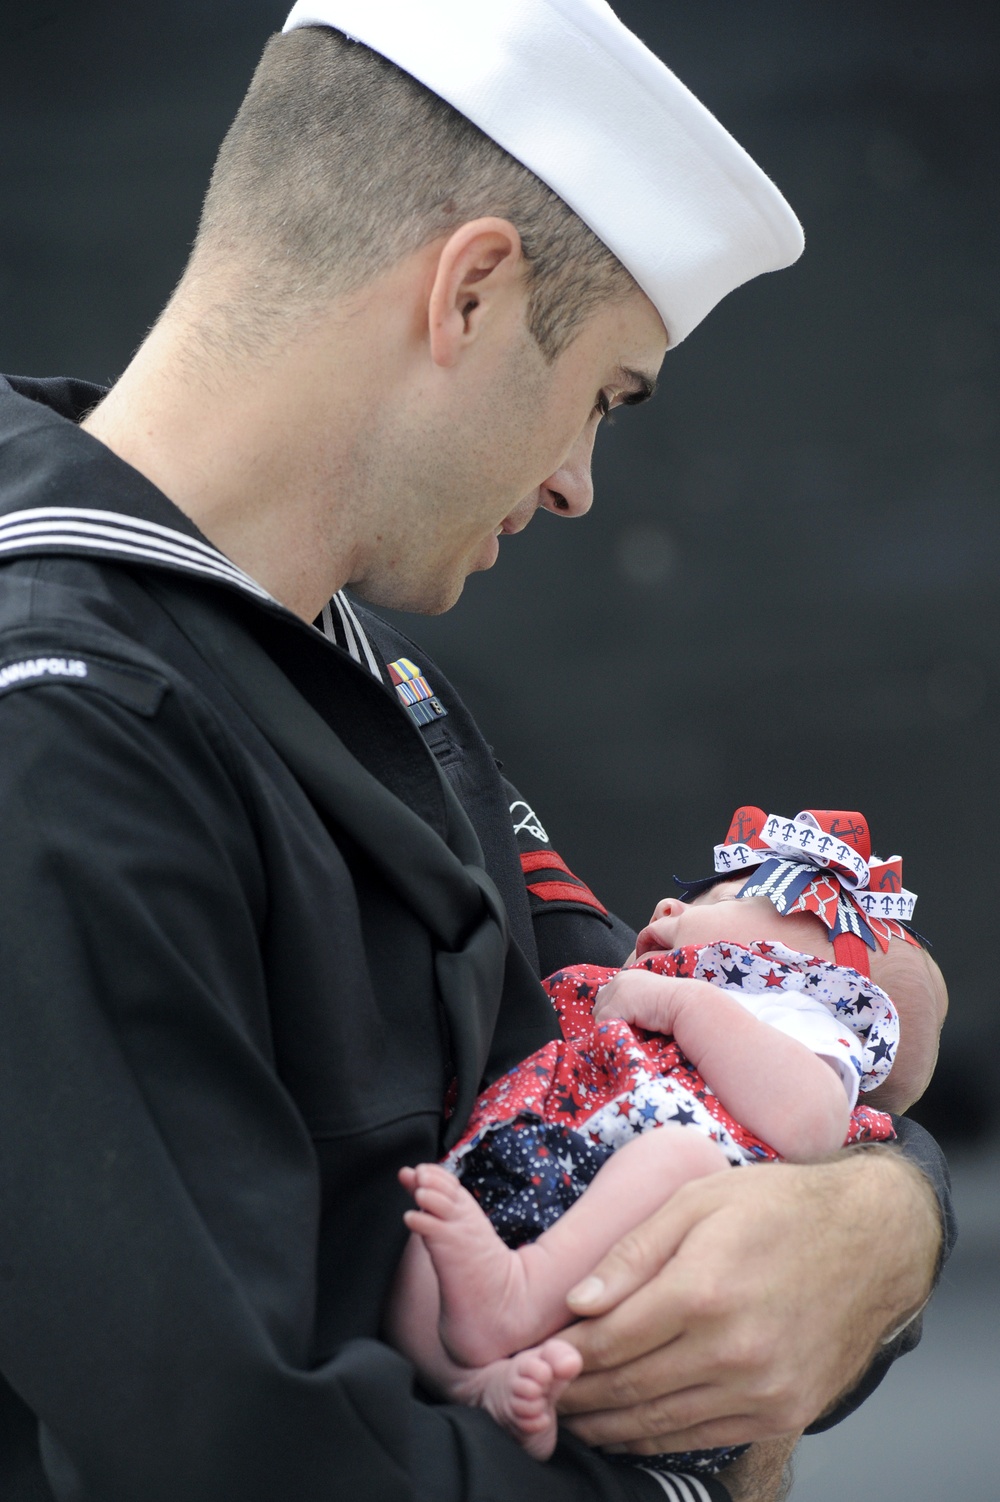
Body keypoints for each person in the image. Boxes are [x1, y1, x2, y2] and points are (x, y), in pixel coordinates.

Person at [0, 4, 953, 1501]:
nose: (578, 481)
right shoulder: (57, 727)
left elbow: (629, 1027)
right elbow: (240, 1453)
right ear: (474, 291)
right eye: (603, 396)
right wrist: (700, 1475)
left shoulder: (347, 671)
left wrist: (889, 1223)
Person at [385, 810, 948, 1479]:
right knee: (431, 1215)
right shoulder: (637, 984)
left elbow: (808, 1124)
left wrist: (682, 1005)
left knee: (681, 1156)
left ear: (816, 974)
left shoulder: (805, 1026)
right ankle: (472, 1380)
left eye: (729, 898)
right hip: (536, 1190)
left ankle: (516, 1297)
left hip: (639, 1283)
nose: (669, 903)